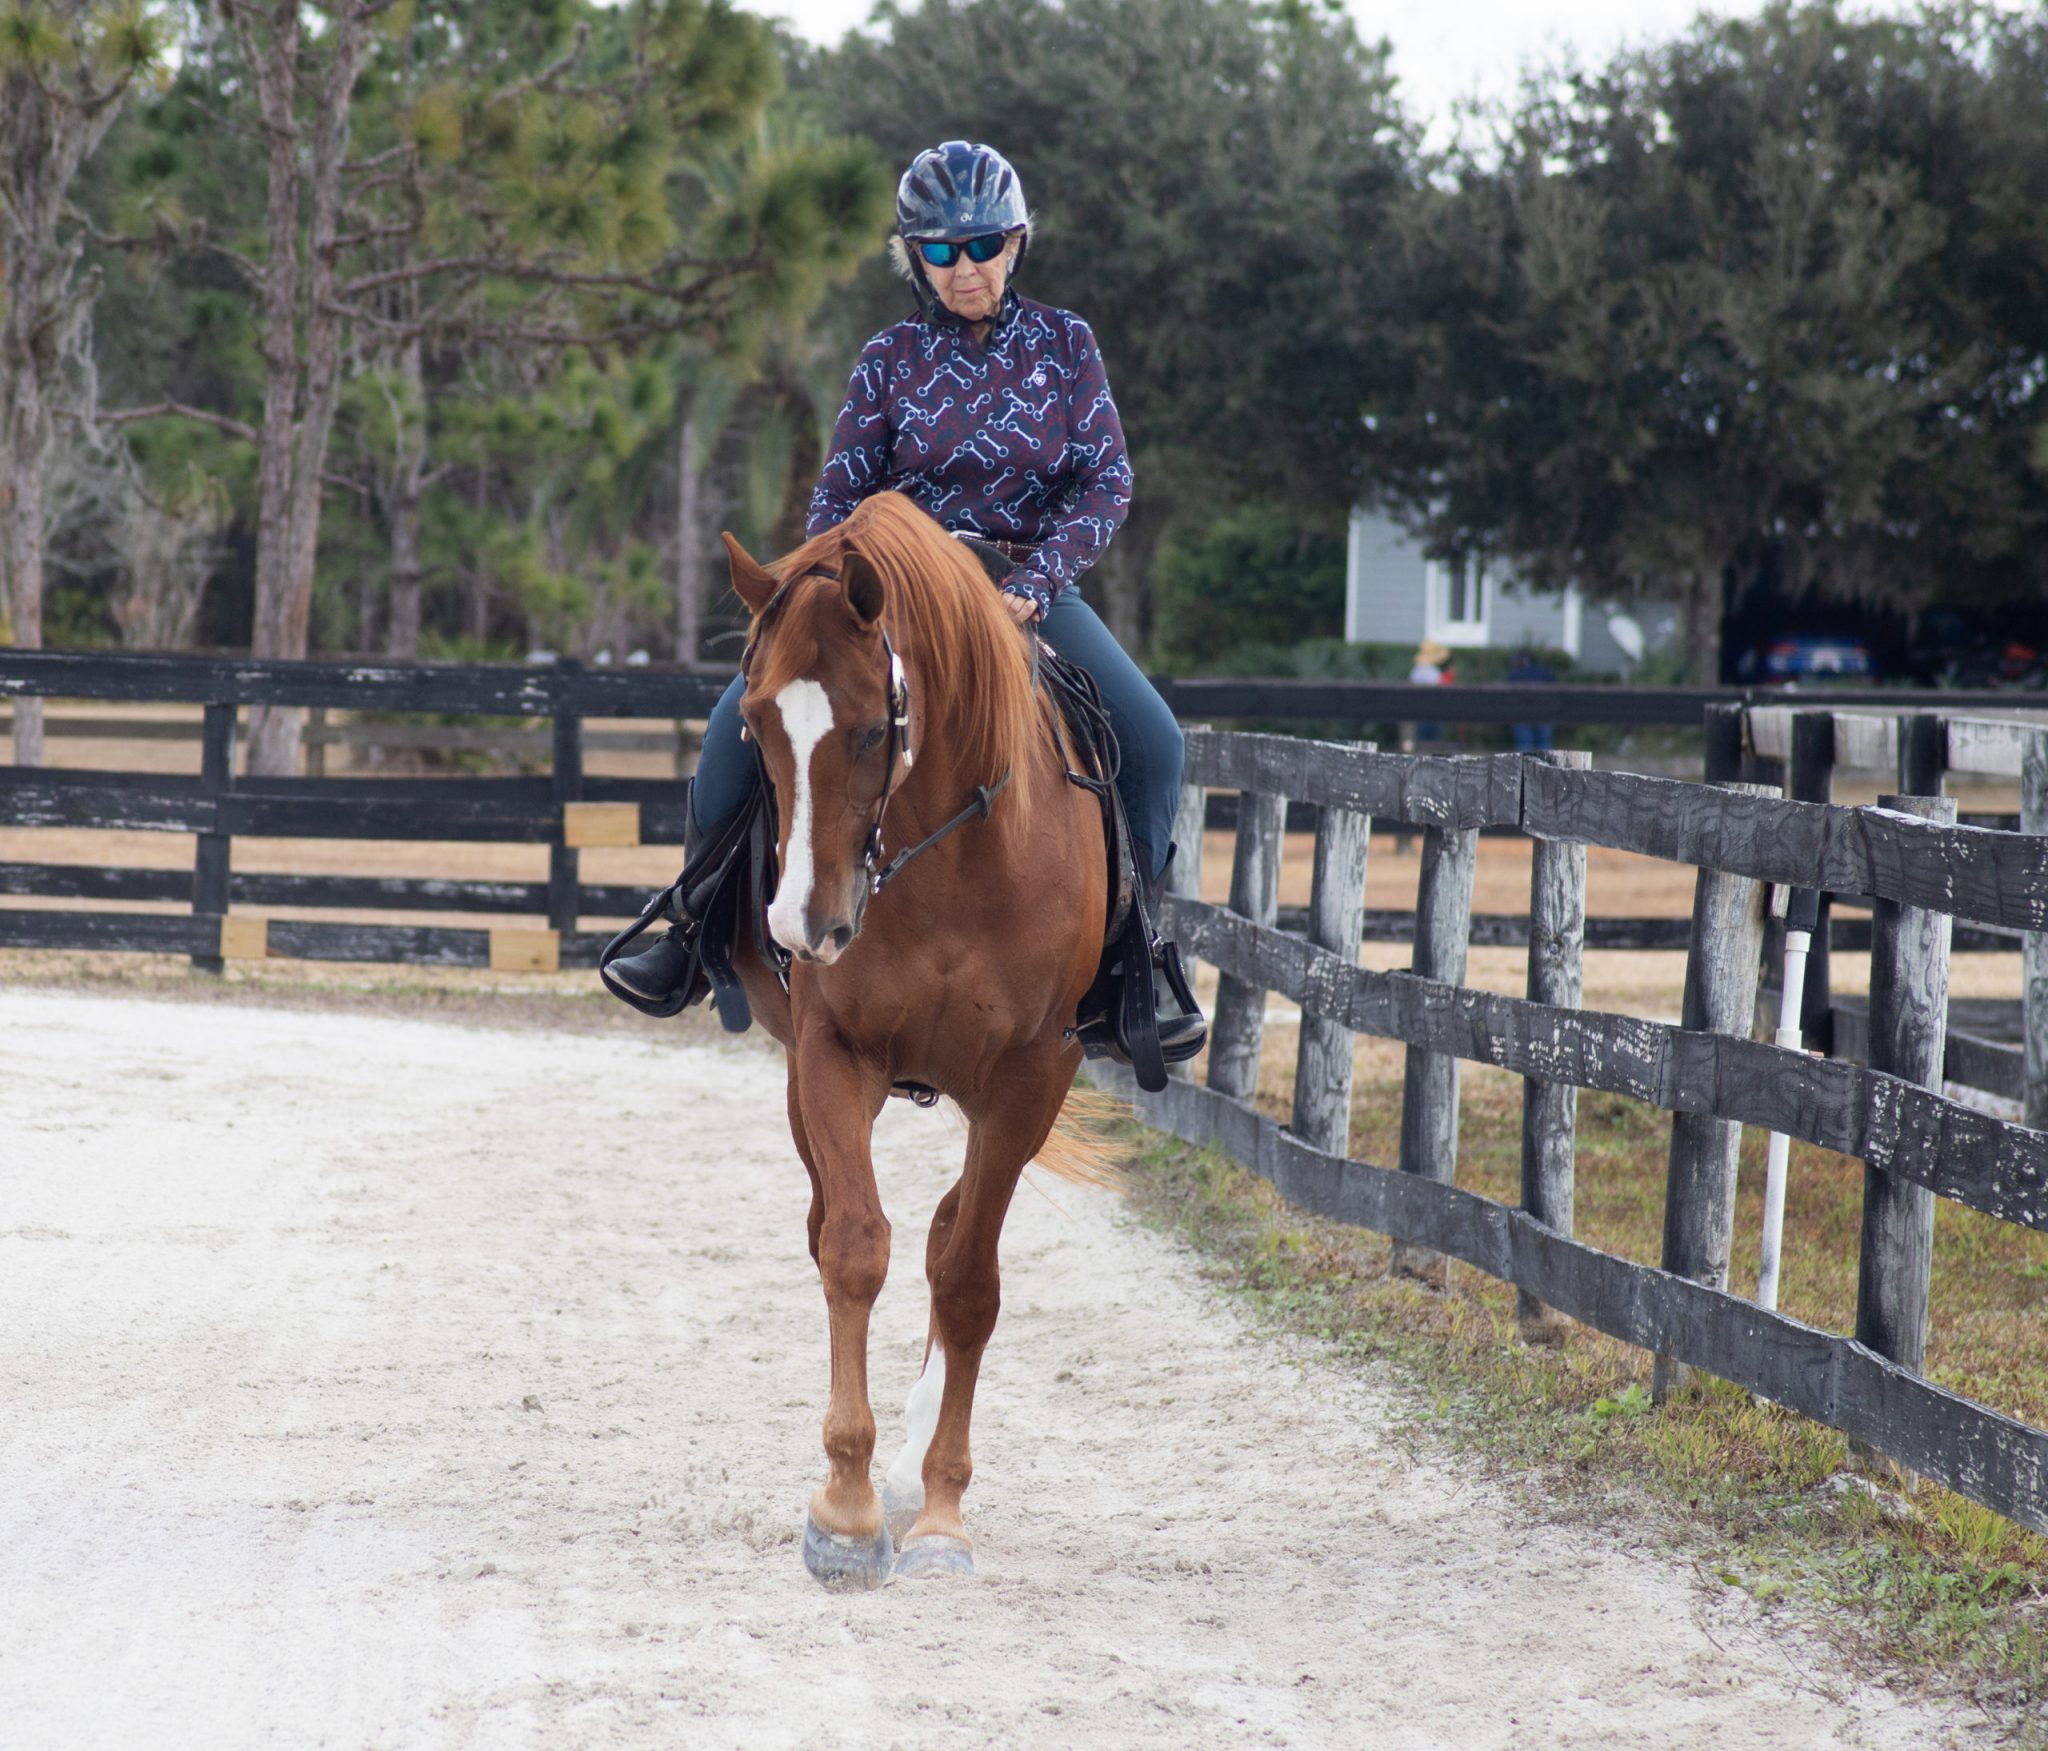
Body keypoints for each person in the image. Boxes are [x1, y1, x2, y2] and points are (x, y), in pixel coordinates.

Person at [609, 140, 1203, 1065]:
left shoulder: (1067, 344)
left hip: (1025, 594)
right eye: (939, 251)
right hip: (894, 603)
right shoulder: (890, 357)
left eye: (982, 245)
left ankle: (1136, 963)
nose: (963, 268)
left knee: (1158, 745)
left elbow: (1107, 482)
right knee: (739, 720)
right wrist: (829, 601)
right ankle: (689, 932)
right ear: (913, 259)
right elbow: (836, 500)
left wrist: (1036, 585)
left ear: (1016, 245)